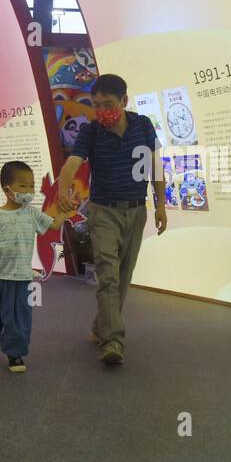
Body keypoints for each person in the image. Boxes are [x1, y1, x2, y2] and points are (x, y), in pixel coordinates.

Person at [56, 74, 167, 365]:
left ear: (124, 101)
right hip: (103, 211)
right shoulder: (91, 132)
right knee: (108, 275)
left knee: (123, 278)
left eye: (108, 104)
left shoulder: (142, 125)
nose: (102, 110)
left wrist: (160, 206)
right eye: (96, 105)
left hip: (136, 211)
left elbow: (154, 166)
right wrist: (62, 189)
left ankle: (100, 326)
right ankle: (113, 340)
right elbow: (72, 163)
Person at [0, 160, 74, 373]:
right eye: (23, 186)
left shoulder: (32, 214)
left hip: (21, 279)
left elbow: (52, 225)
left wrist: (66, 212)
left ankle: (14, 353)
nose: (29, 191)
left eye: (32, 186)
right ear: (8, 190)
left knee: (18, 318)